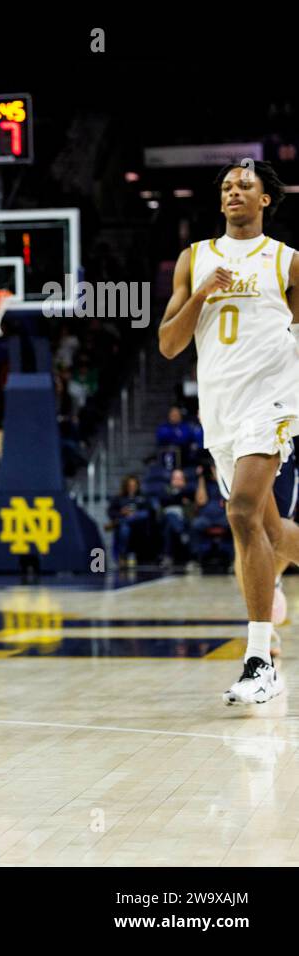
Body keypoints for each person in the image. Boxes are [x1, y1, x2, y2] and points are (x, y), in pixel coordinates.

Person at [158, 159, 299, 704]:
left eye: (244, 185)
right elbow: (169, 344)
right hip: (220, 412)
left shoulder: (286, 261)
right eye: (226, 187)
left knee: (240, 512)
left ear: (265, 199)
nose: (233, 192)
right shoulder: (194, 258)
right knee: (271, 535)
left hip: (272, 402)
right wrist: (200, 295)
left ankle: (260, 661)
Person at [107, 474, 152, 568]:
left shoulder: (143, 497)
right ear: (125, 486)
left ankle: (124, 520)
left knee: (143, 514)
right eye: (130, 486)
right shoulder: (119, 498)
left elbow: (148, 512)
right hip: (126, 526)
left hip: (140, 525)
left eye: (134, 485)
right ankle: (123, 556)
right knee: (125, 529)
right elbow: (111, 512)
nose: (132, 488)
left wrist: (134, 514)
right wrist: (122, 513)